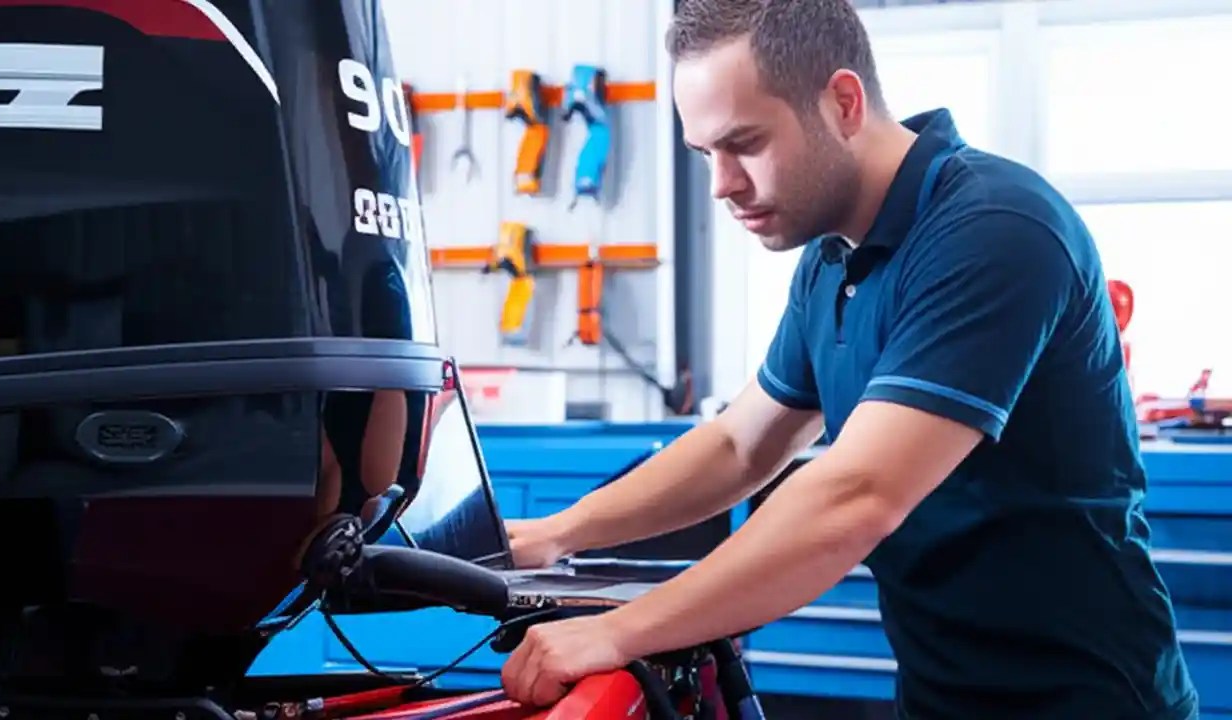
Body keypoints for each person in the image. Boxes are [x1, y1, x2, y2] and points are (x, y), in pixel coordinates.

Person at [498, 1, 1199, 717]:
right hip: (941, 697)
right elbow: (740, 445)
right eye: (706, 153)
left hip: (1088, 700)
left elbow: (856, 493)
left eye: (744, 143)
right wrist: (558, 532)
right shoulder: (831, 258)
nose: (722, 184)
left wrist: (616, 633)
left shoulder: (994, 229)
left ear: (842, 102)